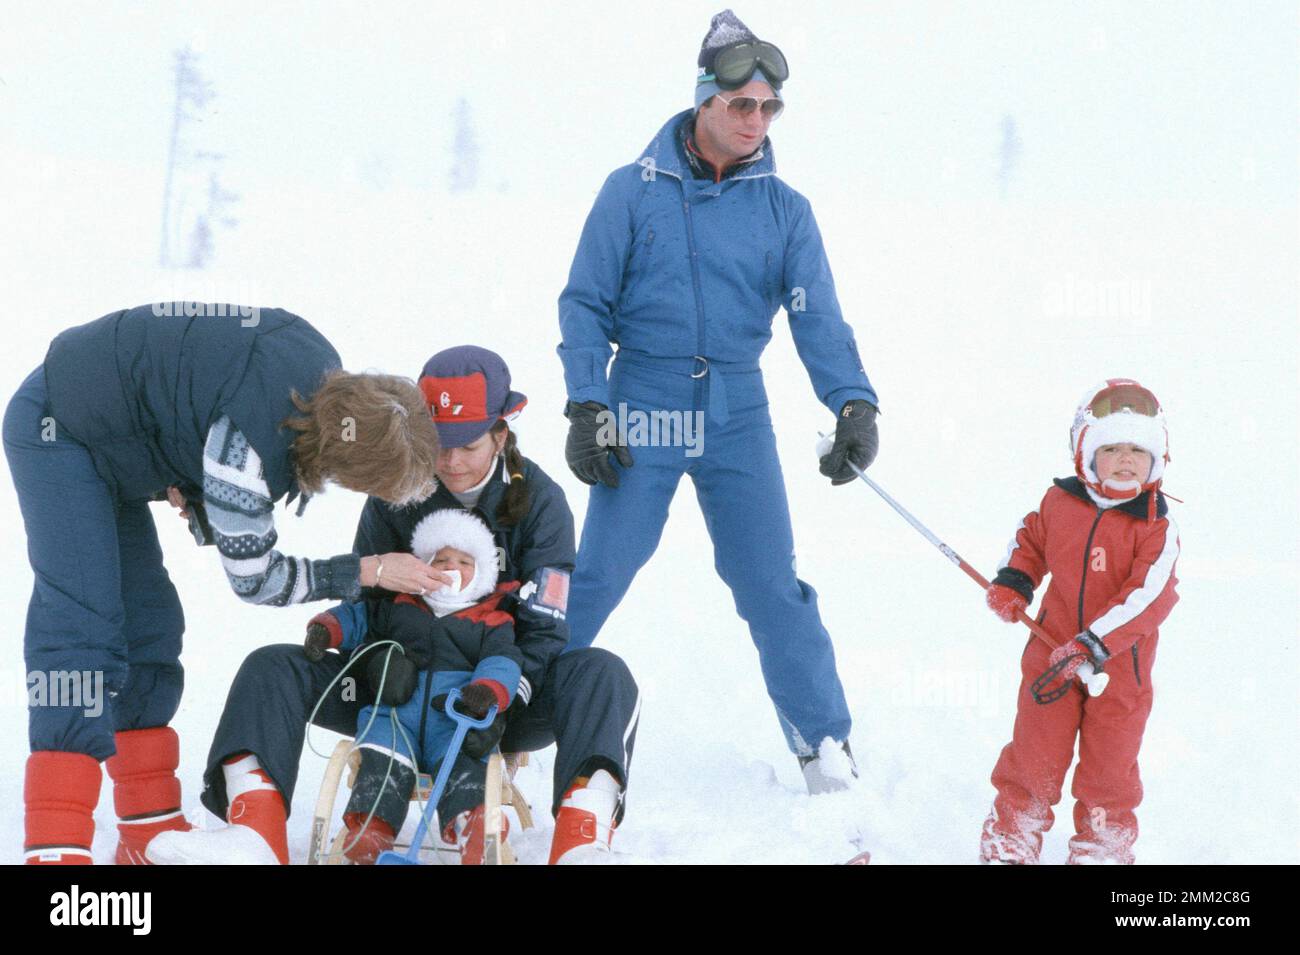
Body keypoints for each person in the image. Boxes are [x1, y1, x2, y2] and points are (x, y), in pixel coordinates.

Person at [150, 346, 640, 865]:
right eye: (438, 445)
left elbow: (545, 630)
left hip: (490, 703)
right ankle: (254, 832)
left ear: (501, 433)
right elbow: (365, 599)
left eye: (468, 446)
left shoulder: (540, 501)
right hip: (392, 693)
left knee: (602, 674)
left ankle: (583, 841)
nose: (450, 462)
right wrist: (369, 653)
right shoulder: (396, 489)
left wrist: (496, 697)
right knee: (270, 666)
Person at [557, 9, 879, 792]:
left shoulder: (784, 209)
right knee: (598, 570)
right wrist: (587, 403)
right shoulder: (631, 192)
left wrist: (852, 402)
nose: (756, 121)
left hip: (737, 410)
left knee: (771, 583)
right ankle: (504, 709)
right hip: (644, 404)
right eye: (742, 105)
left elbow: (816, 313)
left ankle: (823, 746)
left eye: (769, 108)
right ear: (704, 99)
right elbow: (584, 304)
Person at [4, 303, 444, 865]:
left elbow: (196, 391)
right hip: (58, 427)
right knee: (82, 624)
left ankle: (148, 828)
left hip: (115, 446)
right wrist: (365, 572)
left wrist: (189, 472)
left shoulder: (319, 372)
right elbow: (255, 580)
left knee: (150, 621)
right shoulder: (245, 450)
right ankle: (56, 845)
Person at [979, 379, 1180, 864]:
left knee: (1109, 772)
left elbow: (1151, 597)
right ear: (1085, 453)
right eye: (1111, 448)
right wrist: (1015, 581)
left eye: (1137, 449)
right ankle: (1014, 835)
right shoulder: (1059, 503)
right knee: (1033, 754)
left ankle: (1101, 848)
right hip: (1049, 653)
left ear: (1157, 459)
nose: (1125, 459)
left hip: (1118, 674)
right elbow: (1032, 540)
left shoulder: (1156, 526)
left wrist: (1093, 643)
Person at [305, 509, 523, 865]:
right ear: (424, 565)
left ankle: (476, 827)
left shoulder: (491, 619)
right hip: (395, 716)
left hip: (452, 718)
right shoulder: (402, 605)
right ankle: (370, 829)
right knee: (381, 763)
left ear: (483, 570)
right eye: (442, 560)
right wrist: (326, 629)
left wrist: (486, 689)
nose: (453, 567)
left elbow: (503, 660)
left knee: (464, 767)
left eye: (465, 561)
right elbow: (360, 617)